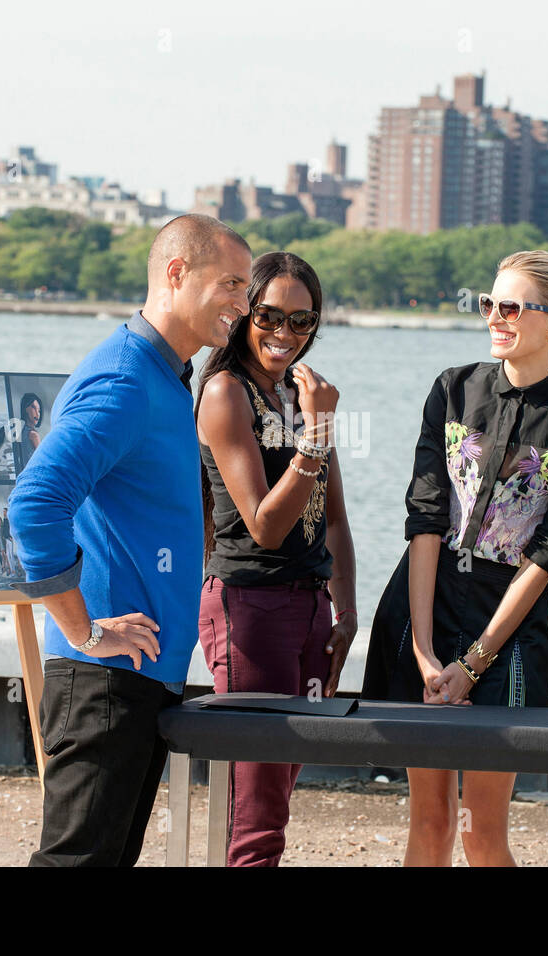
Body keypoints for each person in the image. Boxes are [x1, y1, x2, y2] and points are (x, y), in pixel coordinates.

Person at [9, 213, 251, 866]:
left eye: (247, 290)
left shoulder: (166, 378)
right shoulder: (124, 379)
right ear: (177, 274)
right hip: (102, 682)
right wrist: (85, 630)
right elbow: (34, 505)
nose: (243, 304)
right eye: (230, 283)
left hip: (136, 680)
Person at [362, 250, 548, 867]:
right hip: (424, 610)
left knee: (482, 832)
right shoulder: (452, 389)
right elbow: (424, 521)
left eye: (512, 307)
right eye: (489, 304)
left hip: (510, 636)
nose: (496, 317)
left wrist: (474, 663)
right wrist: (423, 652)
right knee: (431, 821)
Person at [195, 251, 358, 866]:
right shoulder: (225, 393)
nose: (285, 335)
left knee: (279, 795)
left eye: (301, 321)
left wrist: (344, 611)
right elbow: (263, 526)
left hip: (311, 610)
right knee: (256, 813)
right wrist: (314, 438)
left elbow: (335, 518)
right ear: (243, 314)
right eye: (269, 316)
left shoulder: (301, 395)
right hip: (250, 610)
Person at [17, 392, 44, 471]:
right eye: (33, 407)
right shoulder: (33, 435)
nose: (37, 413)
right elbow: (42, 460)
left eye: (39, 410)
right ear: (25, 408)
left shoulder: (21, 430)